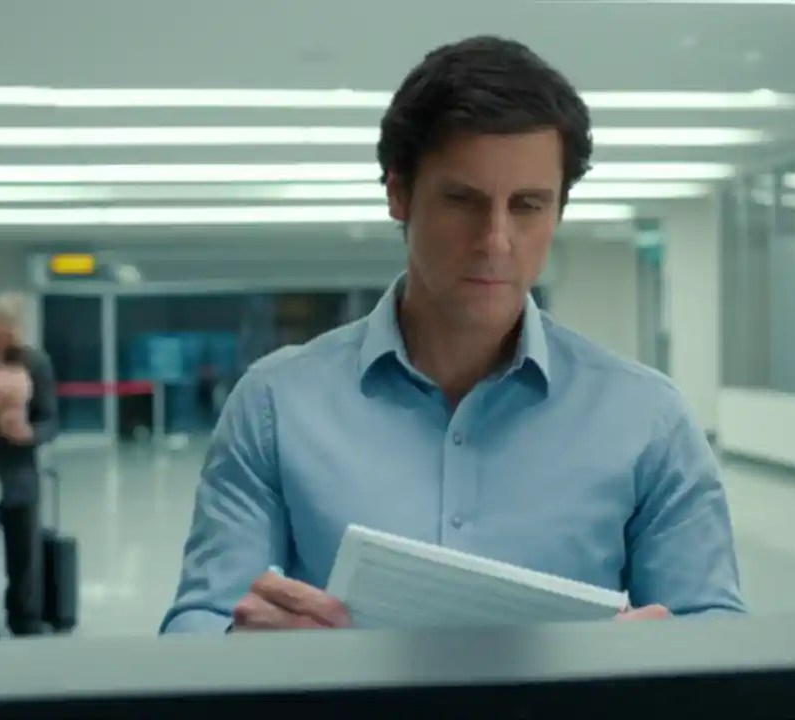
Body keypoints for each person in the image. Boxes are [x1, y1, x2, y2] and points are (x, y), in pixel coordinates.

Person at [161, 35, 746, 634]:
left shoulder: (646, 418)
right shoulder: (275, 405)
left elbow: (716, 627)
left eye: (527, 205)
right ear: (398, 194)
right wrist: (237, 644)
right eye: (463, 201)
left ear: (560, 211)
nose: (496, 240)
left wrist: (667, 657)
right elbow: (197, 623)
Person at [0, 292, 60, 636]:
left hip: (20, 472)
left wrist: (29, 433)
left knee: (24, 552)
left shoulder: (35, 363)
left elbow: (51, 421)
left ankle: (25, 618)